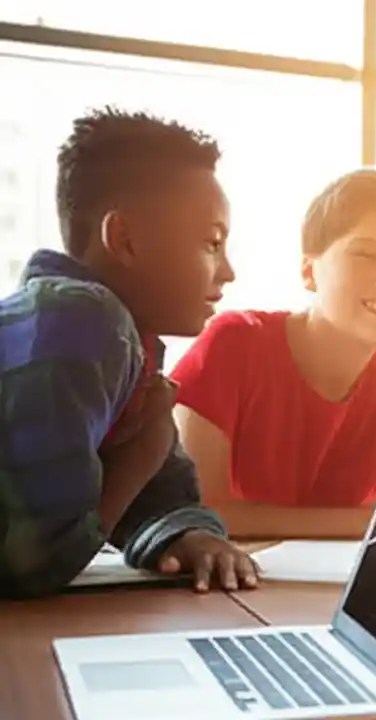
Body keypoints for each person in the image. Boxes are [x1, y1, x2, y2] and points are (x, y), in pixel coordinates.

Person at [0, 107, 256, 597]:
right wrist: (142, 452)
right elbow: (29, 562)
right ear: (124, 239)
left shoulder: (123, 340)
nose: (228, 271)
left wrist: (187, 535)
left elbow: (158, 495)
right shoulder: (81, 321)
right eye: (211, 243)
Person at [172, 169, 376, 539]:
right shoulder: (236, 344)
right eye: (366, 255)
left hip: (330, 589)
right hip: (221, 586)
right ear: (308, 272)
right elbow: (199, 513)